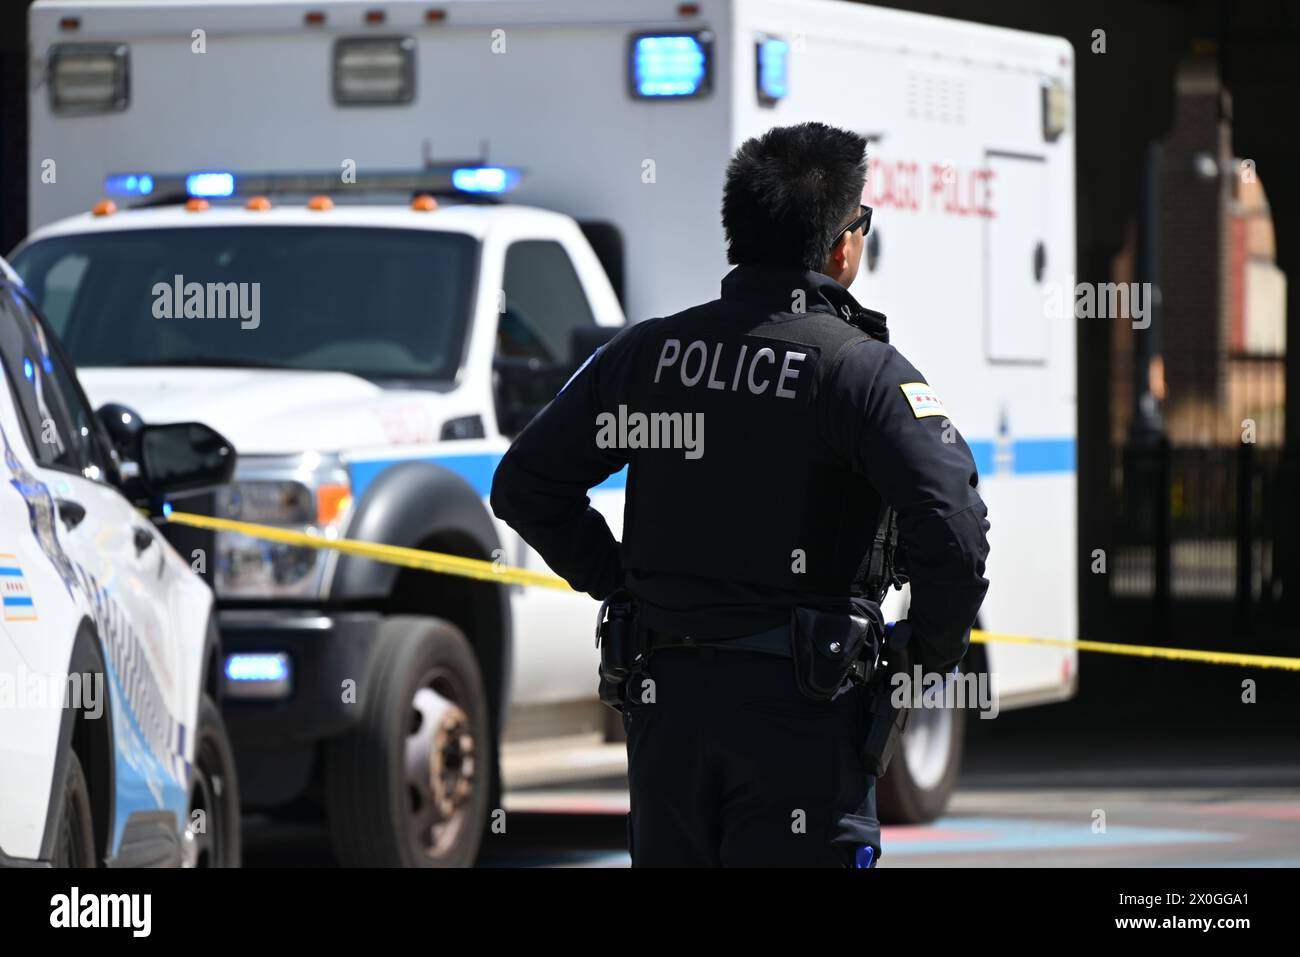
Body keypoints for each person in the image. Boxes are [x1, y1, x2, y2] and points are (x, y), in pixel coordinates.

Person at [490, 121, 989, 867]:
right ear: (842, 244)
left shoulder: (649, 356)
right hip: (807, 716)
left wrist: (621, 582)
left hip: (669, 714)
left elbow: (526, 484)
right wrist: (917, 659)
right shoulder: (859, 373)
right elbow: (952, 528)